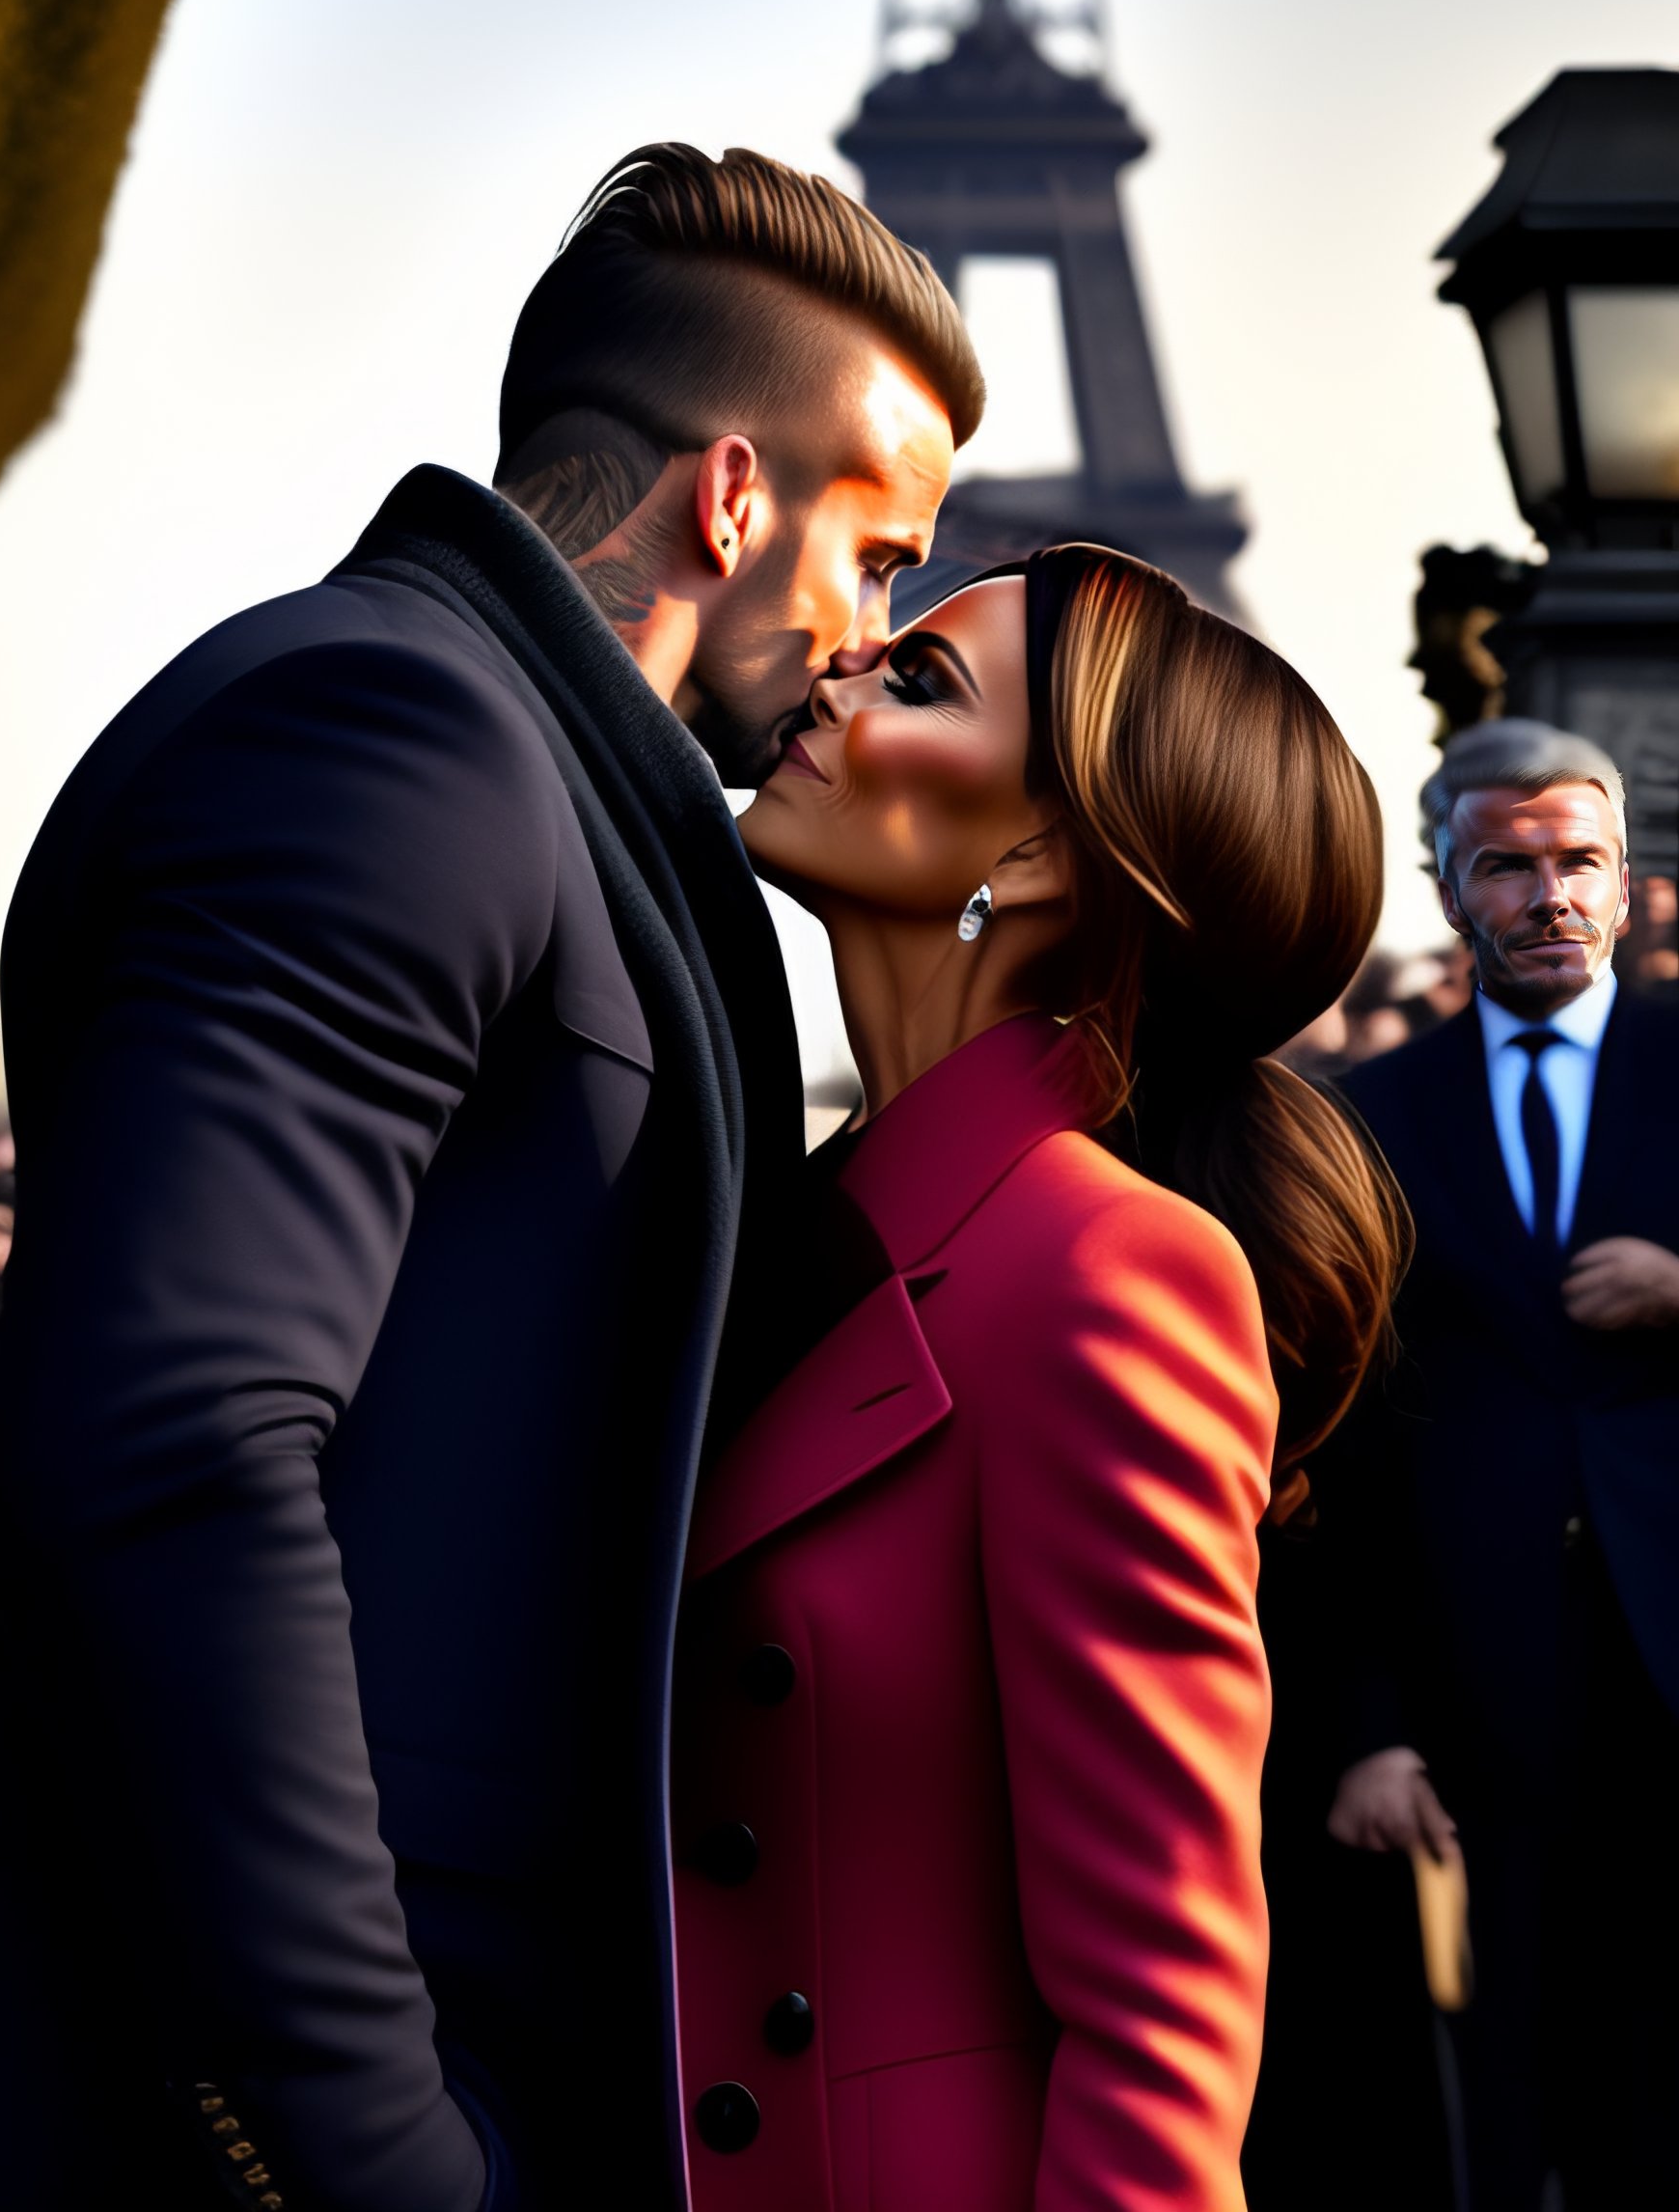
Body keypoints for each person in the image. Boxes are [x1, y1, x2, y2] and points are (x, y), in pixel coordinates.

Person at [0, 144, 978, 2212]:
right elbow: (174, 1451)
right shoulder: (398, 738)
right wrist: (374, 2148)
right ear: (725, 499)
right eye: (874, 557)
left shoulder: (472, 748)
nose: (870, 639)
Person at [671, 546, 1407, 2211]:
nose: (840, 667)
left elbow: (1161, 2022)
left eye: (919, 679)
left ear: (1042, 854)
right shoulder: (779, 1230)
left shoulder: (1108, 1275)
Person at [1332, 721, 1678, 2211]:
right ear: (1447, 886)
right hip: (1476, 1701)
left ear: (1627, 878)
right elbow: (1327, 1448)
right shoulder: (1366, 1118)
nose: (1550, 897)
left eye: (1579, 863)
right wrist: (1364, 1726)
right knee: (1502, 2101)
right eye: (1510, 866)